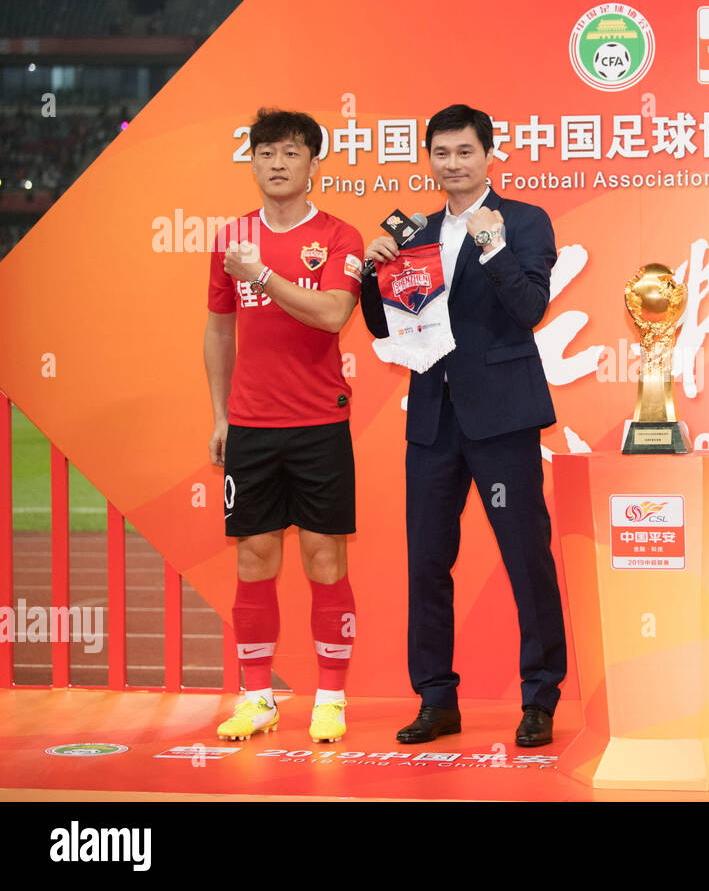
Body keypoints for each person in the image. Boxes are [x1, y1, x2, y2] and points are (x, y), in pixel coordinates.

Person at [361, 104, 566, 748]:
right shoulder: (415, 232)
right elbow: (386, 326)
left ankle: (540, 697)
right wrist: (371, 272)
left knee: (525, 556)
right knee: (427, 561)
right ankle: (435, 699)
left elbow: (529, 307)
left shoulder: (523, 221)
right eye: (441, 153)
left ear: (489, 154)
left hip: (501, 417)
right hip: (432, 420)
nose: (452, 164)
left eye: (465, 151)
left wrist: (493, 245)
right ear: (430, 158)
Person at [204, 108, 365, 743]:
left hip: (320, 423)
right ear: (251, 163)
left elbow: (332, 314)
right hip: (251, 426)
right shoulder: (232, 238)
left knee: (325, 558)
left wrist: (263, 277)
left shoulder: (340, 236)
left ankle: (331, 700)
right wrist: (221, 415)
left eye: (291, 153)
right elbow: (219, 332)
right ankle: (257, 698)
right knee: (254, 559)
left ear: (313, 165)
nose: (277, 164)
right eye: (266, 153)